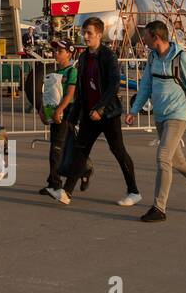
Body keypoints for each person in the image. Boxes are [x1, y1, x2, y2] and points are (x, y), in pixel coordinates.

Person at [126, 21, 186, 221]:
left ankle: (159, 208)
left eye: (145, 36)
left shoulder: (180, 58)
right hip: (160, 115)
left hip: (177, 115)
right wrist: (134, 110)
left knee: (163, 158)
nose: (142, 40)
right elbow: (145, 86)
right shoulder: (152, 58)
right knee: (178, 161)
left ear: (156, 37)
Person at [54, 17, 141, 207]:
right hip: (88, 114)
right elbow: (81, 87)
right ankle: (67, 191)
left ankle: (133, 191)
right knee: (81, 151)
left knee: (118, 151)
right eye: (84, 32)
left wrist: (100, 109)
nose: (85, 36)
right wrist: (73, 116)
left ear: (99, 35)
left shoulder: (108, 56)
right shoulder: (84, 58)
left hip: (108, 114)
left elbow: (113, 85)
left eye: (89, 33)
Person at [41, 39, 91, 198]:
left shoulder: (72, 71)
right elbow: (48, 96)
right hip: (56, 112)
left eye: (60, 51)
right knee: (58, 148)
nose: (56, 53)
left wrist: (59, 111)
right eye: (55, 50)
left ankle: (56, 184)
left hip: (66, 112)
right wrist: (43, 111)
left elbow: (70, 94)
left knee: (58, 148)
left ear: (69, 53)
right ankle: (53, 181)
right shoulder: (55, 73)